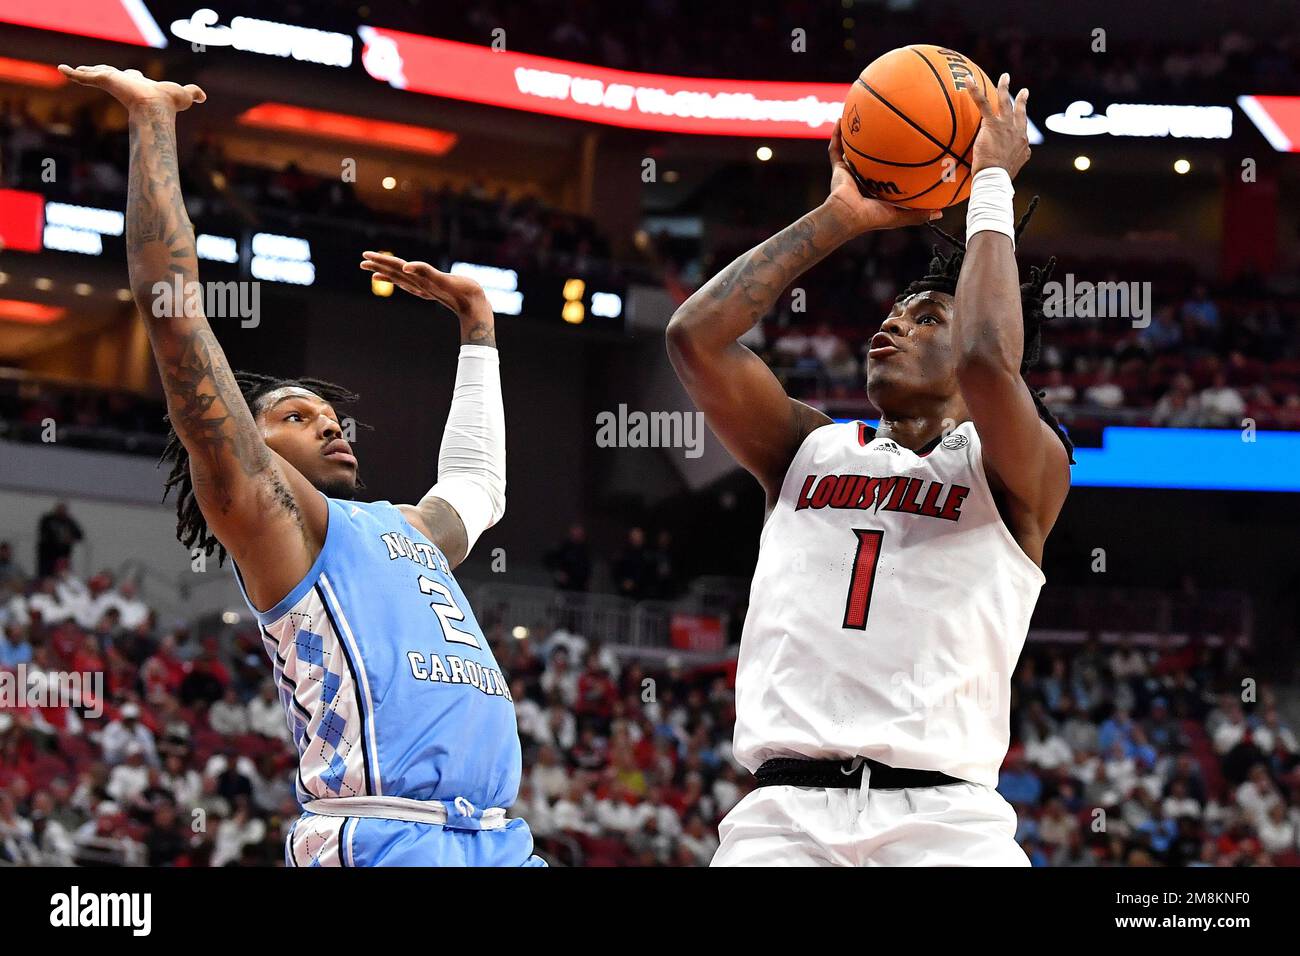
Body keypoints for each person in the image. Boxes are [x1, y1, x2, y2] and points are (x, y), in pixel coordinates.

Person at [60, 63, 539, 867]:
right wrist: (151, 122)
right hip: (383, 833)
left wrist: (476, 324)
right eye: (293, 416)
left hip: (498, 838)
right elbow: (174, 320)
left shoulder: (406, 530)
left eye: (331, 418)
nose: (328, 426)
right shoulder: (276, 523)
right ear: (249, 448)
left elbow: (479, 485)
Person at [667, 74, 1071, 865]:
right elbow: (694, 339)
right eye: (890, 316)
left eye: (926, 319)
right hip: (780, 820)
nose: (891, 327)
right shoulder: (805, 449)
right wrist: (839, 217)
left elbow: (990, 360)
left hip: (946, 825)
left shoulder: (1022, 468)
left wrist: (989, 181)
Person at [36, 502, 83, 578]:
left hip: (63, 555)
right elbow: (43, 532)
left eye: (64, 510)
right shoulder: (48, 519)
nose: (62, 512)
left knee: (61, 575)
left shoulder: (69, 521)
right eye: (60, 509)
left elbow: (80, 535)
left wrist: (71, 538)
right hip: (47, 553)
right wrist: (58, 537)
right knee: (46, 575)